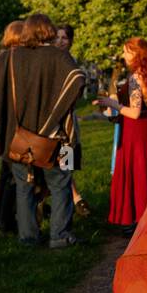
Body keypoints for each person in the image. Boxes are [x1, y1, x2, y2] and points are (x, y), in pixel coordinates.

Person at [0, 13, 85, 248]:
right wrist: (54, 116)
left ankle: (28, 237)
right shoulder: (59, 57)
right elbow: (78, 79)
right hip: (59, 138)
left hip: (19, 139)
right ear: (48, 30)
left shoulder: (10, 57)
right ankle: (60, 236)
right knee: (61, 184)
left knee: (24, 186)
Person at [95, 38, 147, 230]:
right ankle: (144, 215)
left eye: (127, 51)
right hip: (145, 128)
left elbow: (133, 112)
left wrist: (112, 103)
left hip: (136, 131)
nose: (124, 55)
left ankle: (139, 218)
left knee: (137, 172)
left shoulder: (136, 77)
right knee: (144, 171)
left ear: (137, 54)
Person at [54, 23, 91, 217]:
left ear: (70, 41)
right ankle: (74, 198)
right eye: (57, 37)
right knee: (50, 161)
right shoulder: (48, 60)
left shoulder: (72, 62)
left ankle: (74, 199)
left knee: (66, 161)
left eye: (64, 38)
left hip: (67, 120)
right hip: (50, 120)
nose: (60, 41)